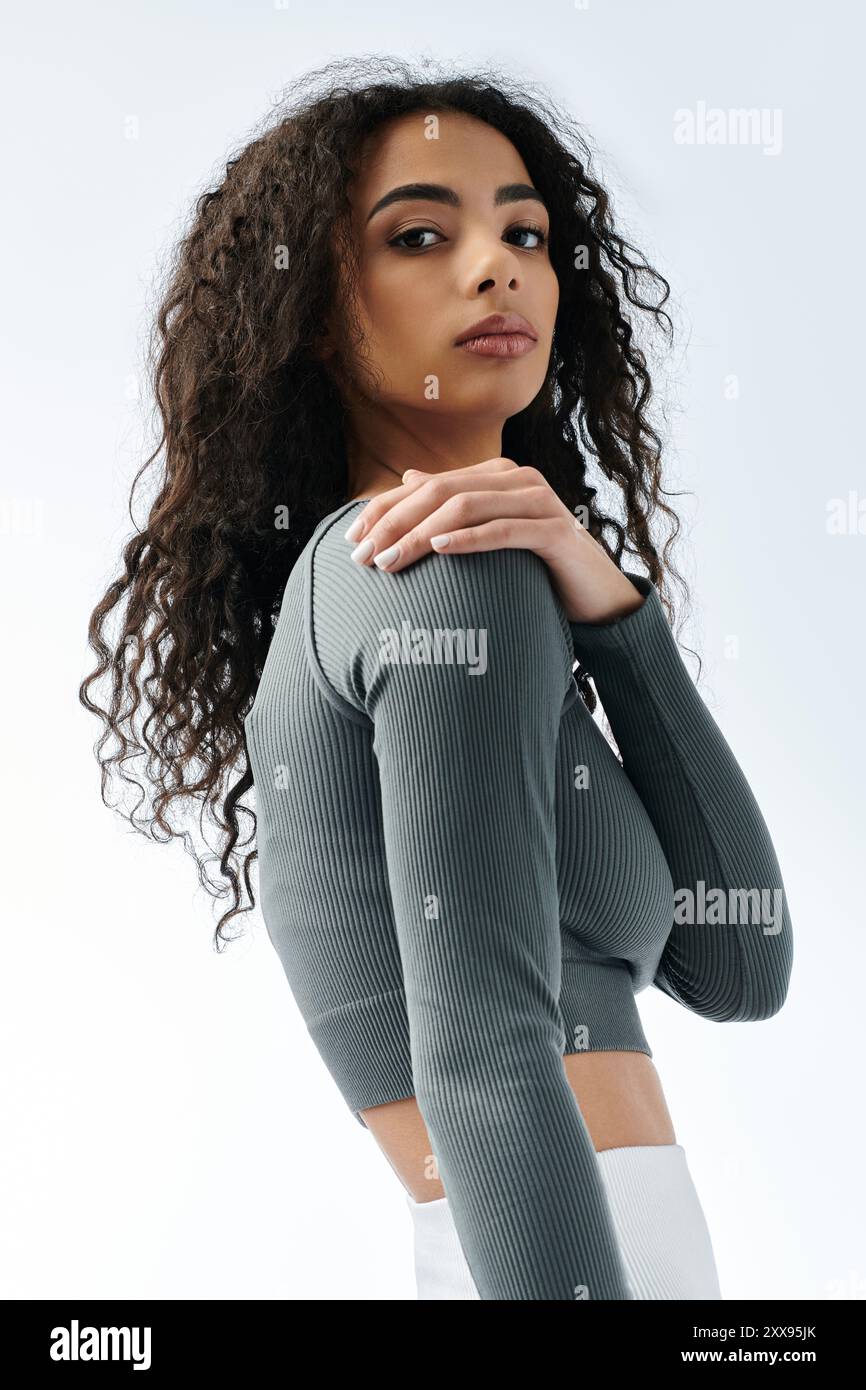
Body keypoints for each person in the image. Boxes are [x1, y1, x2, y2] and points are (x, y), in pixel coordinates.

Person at [80, 57, 793, 1300]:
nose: (494, 264)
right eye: (421, 234)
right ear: (311, 305)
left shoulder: (472, 576)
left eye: (523, 230)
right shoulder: (431, 571)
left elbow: (738, 968)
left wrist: (607, 604)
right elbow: (477, 1058)